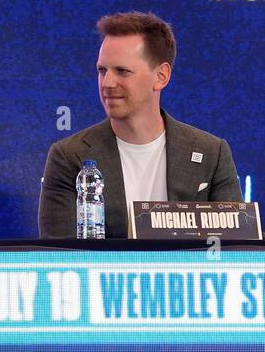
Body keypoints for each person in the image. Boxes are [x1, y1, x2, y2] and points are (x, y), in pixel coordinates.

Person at [39, 12, 241, 238]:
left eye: (122, 71)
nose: (107, 83)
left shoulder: (212, 154)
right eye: (102, 70)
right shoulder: (68, 157)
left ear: (161, 76)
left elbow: (233, 253)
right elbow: (62, 258)